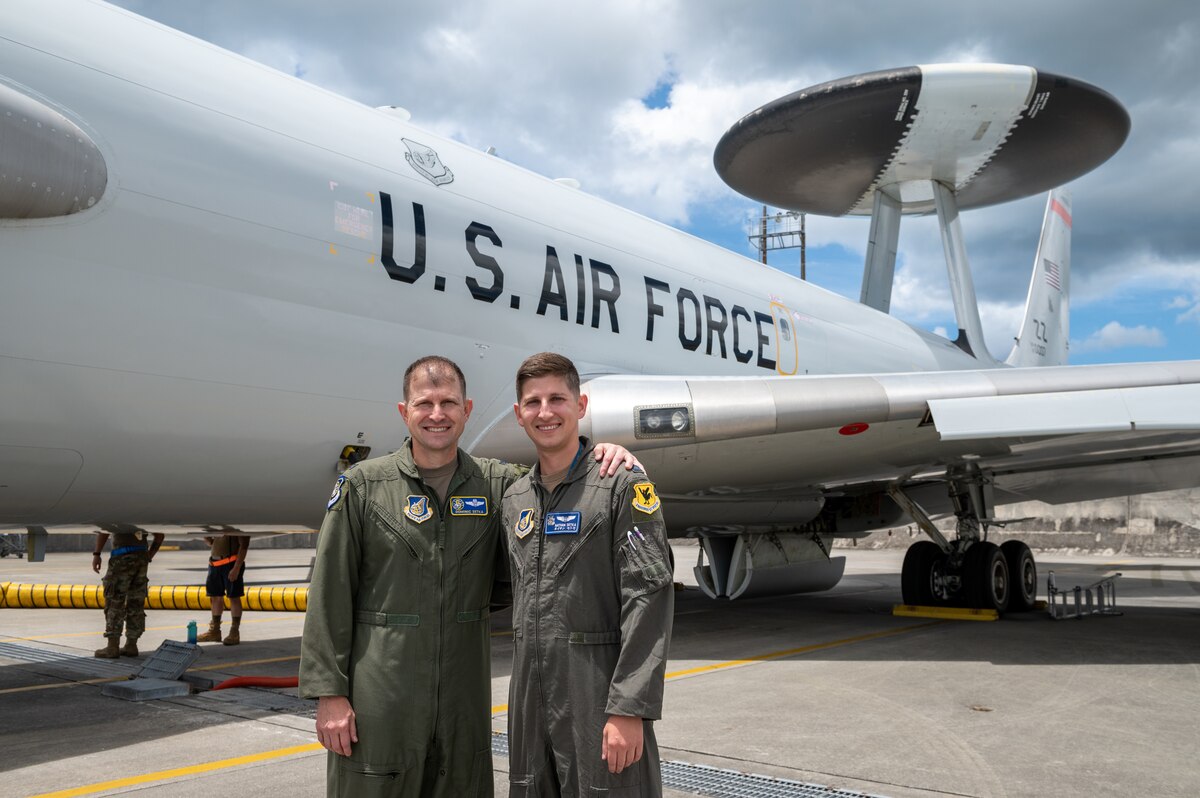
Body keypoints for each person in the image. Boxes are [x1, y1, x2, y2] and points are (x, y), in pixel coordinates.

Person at [299, 355, 640, 798]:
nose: (437, 414)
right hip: (380, 700)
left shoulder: (497, 484)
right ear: (404, 412)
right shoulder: (364, 487)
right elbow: (329, 593)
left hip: (464, 704)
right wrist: (329, 695)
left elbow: (558, 480)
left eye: (448, 403)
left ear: (467, 410)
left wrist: (606, 456)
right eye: (424, 404)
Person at [502, 352, 674, 796]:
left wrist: (629, 707)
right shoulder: (515, 498)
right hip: (529, 704)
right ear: (519, 414)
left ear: (580, 405)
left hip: (597, 697)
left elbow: (648, 597)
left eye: (557, 399)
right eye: (533, 402)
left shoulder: (621, 485)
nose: (545, 412)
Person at [91, 528, 165, 658]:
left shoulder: (118, 517)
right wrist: (149, 556)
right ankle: (131, 645)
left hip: (121, 558)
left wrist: (96, 554)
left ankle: (112, 647)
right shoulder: (145, 517)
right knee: (136, 602)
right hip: (141, 558)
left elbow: (104, 529)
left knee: (114, 601)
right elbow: (159, 536)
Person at [196, 534, 250, 645]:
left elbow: (244, 546)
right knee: (215, 597)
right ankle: (214, 631)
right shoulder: (218, 527)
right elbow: (211, 543)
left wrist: (236, 568)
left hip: (231, 565)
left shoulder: (237, 526)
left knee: (234, 597)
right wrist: (205, 536)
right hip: (214, 564)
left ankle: (234, 632)